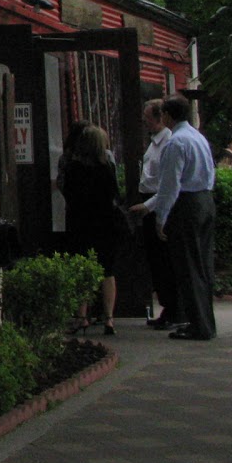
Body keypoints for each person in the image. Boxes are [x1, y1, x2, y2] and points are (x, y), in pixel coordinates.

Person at [131, 95, 217, 340]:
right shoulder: (198, 138)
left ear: (168, 116)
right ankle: (205, 322)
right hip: (205, 200)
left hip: (187, 205)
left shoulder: (176, 143)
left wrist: (160, 218)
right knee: (203, 266)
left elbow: (170, 186)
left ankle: (198, 325)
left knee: (188, 267)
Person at [60, 121, 129, 334]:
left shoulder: (73, 169)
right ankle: (109, 318)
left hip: (80, 223)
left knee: (82, 268)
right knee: (107, 270)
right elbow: (114, 196)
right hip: (106, 223)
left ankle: (82, 316)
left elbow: (67, 193)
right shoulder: (106, 169)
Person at [137, 99, 179, 328]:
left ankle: (172, 309)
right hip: (149, 199)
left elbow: (167, 183)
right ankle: (167, 308)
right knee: (155, 260)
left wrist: (150, 207)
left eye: (148, 118)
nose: (145, 122)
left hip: (156, 202)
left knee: (164, 261)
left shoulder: (168, 143)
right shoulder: (154, 143)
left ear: (160, 117)